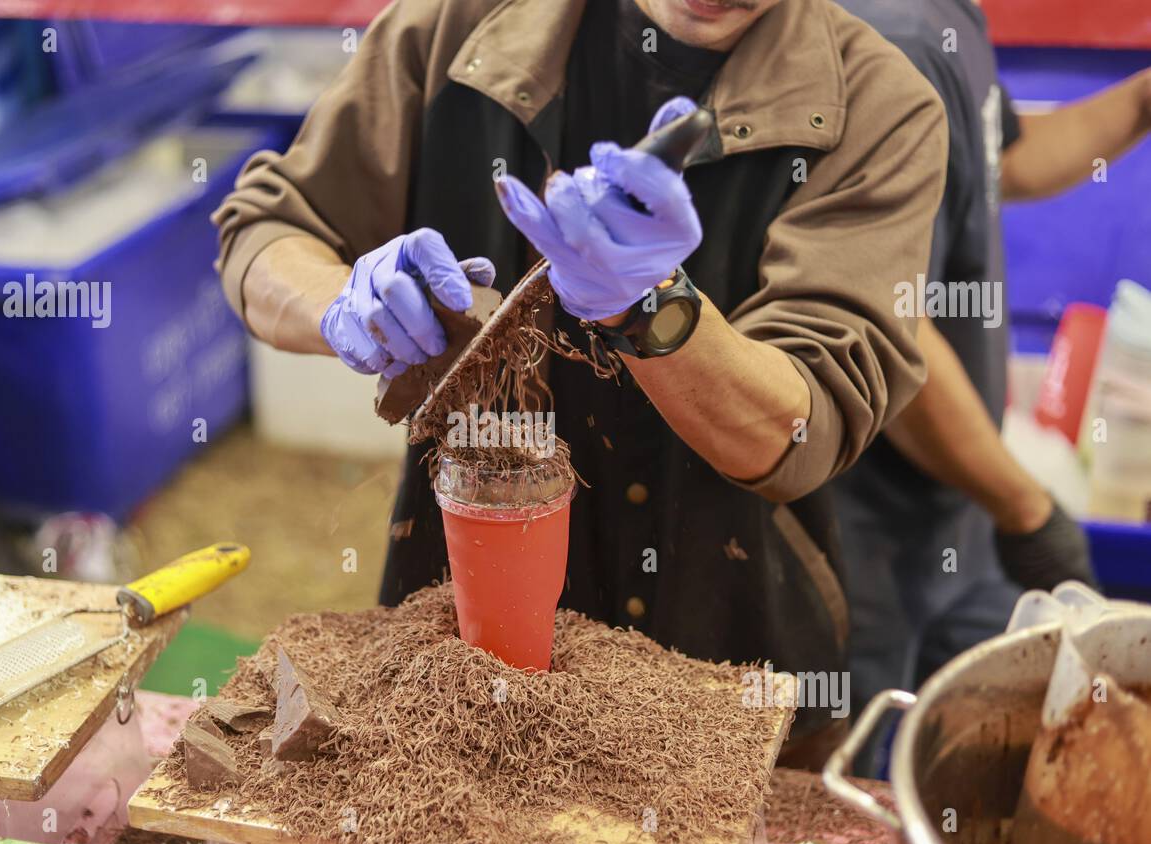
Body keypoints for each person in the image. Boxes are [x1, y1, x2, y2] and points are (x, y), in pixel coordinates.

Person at [213, 0, 949, 766]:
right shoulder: (459, 27)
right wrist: (340, 302)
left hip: (724, 658)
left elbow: (801, 425)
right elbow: (265, 231)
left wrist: (655, 309)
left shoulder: (876, 106)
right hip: (458, 649)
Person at [833, 0, 1150, 766]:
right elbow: (888, 317)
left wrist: (1142, 98)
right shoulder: (899, 36)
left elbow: (1003, 157)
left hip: (954, 515)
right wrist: (1025, 507)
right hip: (866, 529)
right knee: (855, 783)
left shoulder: (944, 17)